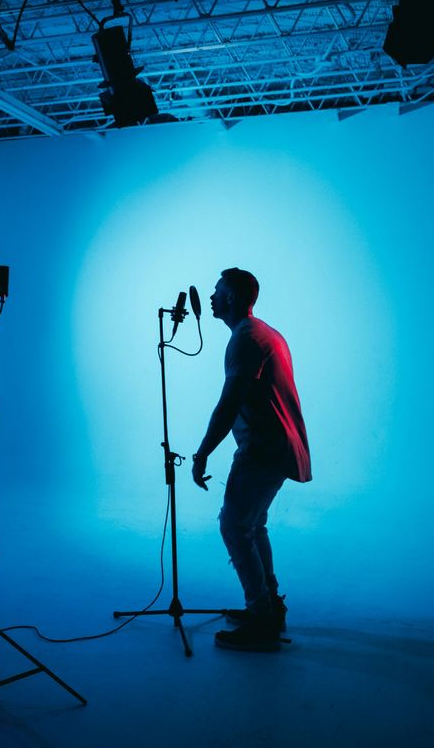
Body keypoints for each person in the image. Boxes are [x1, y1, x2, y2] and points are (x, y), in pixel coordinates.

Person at [191, 267, 311, 653]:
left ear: (231, 298)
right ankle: (268, 606)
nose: (210, 296)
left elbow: (228, 406)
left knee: (234, 525)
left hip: (264, 448)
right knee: (252, 525)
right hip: (273, 446)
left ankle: (262, 618)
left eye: (217, 290)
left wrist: (202, 453)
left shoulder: (246, 340)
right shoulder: (262, 333)